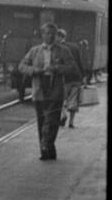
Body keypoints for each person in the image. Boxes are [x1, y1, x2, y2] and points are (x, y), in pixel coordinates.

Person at [18, 22, 81, 160]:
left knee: (52, 120)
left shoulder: (63, 50)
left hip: (56, 89)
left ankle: (46, 144)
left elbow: (72, 67)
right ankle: (46, 152)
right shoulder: (35, 51)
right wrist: (34, 71)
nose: (50, 36)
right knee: (42, 120)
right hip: (39, 88)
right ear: (42, 35)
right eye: (47, 33)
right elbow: (22, 66)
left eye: (52, 34)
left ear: (56, 35)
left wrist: (57, 68)